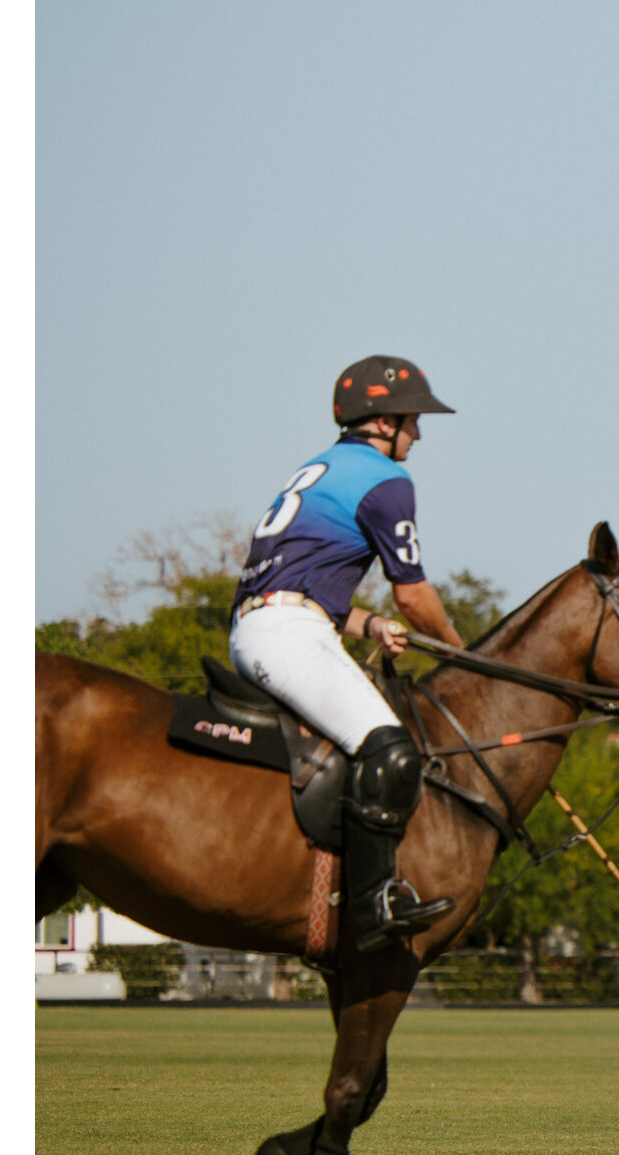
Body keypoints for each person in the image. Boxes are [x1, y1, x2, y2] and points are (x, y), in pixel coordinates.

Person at [228, 355, 467, 951]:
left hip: (264, 628)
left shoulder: (319, 468)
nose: (419, 433)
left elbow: (300, 591)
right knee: (392, 752)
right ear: (383, 422)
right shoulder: (386, 481)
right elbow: (414, 594)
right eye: (413, 420)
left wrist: (368, 624)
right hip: (288, 637)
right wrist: (462, 655)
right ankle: (374, 901)